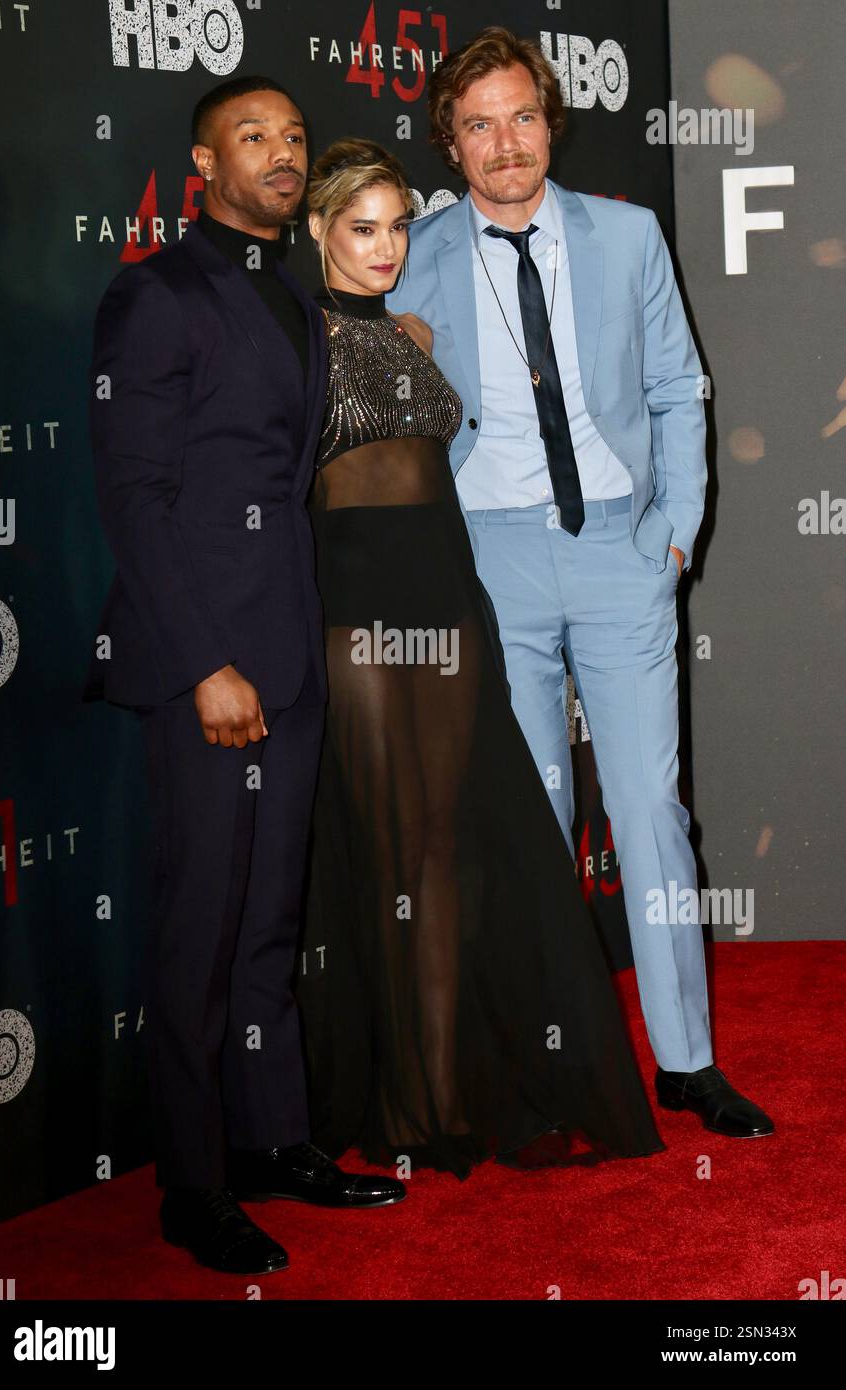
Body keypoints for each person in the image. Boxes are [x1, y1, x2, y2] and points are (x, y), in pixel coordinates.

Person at [384, 27, 773, 1139]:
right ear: (450, 143)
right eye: (479, 125)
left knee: (648, 808)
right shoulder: (415, 254)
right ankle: (554, 1061)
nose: (505, 142)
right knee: (533, 814)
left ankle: (688, 1061)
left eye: (522, 117)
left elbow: (677, 387)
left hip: (619, 552)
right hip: (491, 558)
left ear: (549, 123)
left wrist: (675, 534)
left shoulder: (628, 235)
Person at [293, 137, 666, 1181]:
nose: (386, 247)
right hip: (359, 621)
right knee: (392, 855)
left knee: (449, 849)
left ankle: (452, 1089)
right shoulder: (293, 341)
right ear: (317, 230)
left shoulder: (414, 332)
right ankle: (406, 1104)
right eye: (362, 228)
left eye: (398, 227)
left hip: (450, 607)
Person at [83, 77, 405, 1278]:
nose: (281, 153)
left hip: (290, 651)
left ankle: (272, 1141)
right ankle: (192, 1183)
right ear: (203, 166)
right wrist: (204, 663)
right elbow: (135, 497)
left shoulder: (291, 292)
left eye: (294, 137)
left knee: (269, 922)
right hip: (208, 669)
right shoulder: (158, 294)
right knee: (201, 933)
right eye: (252, 137)